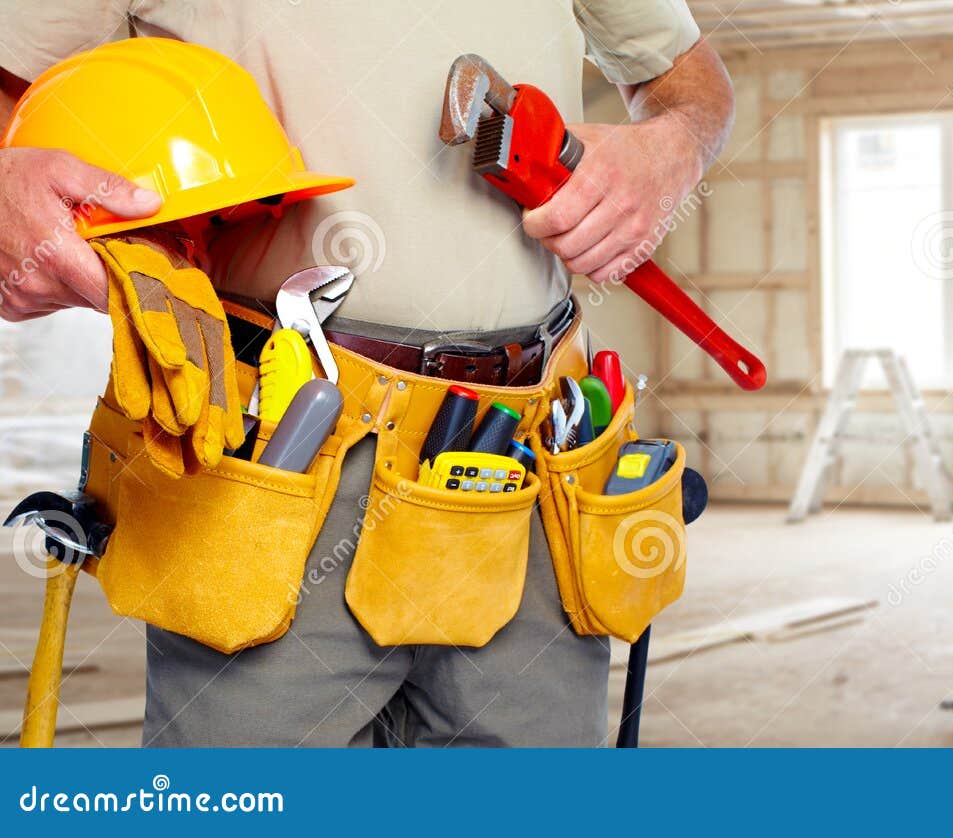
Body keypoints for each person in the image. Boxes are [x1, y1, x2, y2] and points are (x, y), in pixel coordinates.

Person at [0, 1, 734, 746]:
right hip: (274, 451)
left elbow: (690, 81)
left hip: (530, 454)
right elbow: (14, 101)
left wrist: (672, 149)